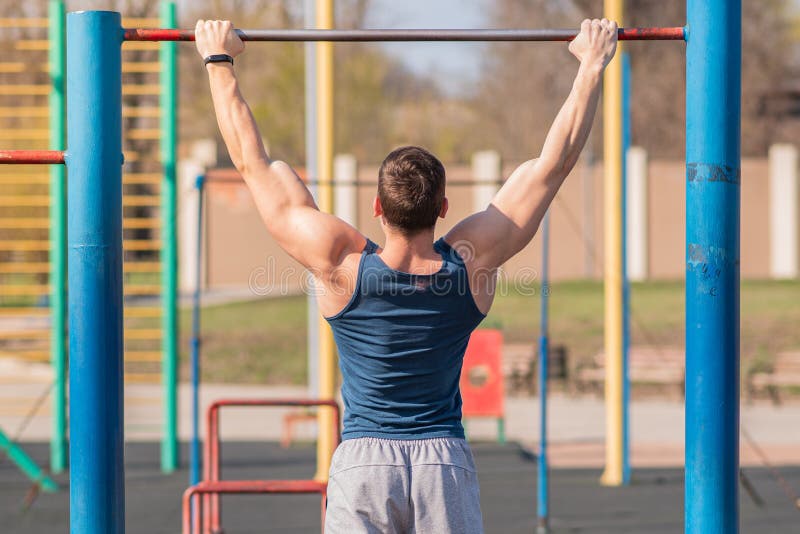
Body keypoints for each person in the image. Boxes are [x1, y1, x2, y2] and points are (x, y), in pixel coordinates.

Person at [195, 17, 618, 534]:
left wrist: (219, 62)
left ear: (376, 206)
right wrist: (591, 67)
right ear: (443, 207)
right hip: (443, 463)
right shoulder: (470, 263)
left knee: (277, 176)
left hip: (364, 464)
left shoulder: (341, 267)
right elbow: (551, 167)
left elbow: (253, 166)